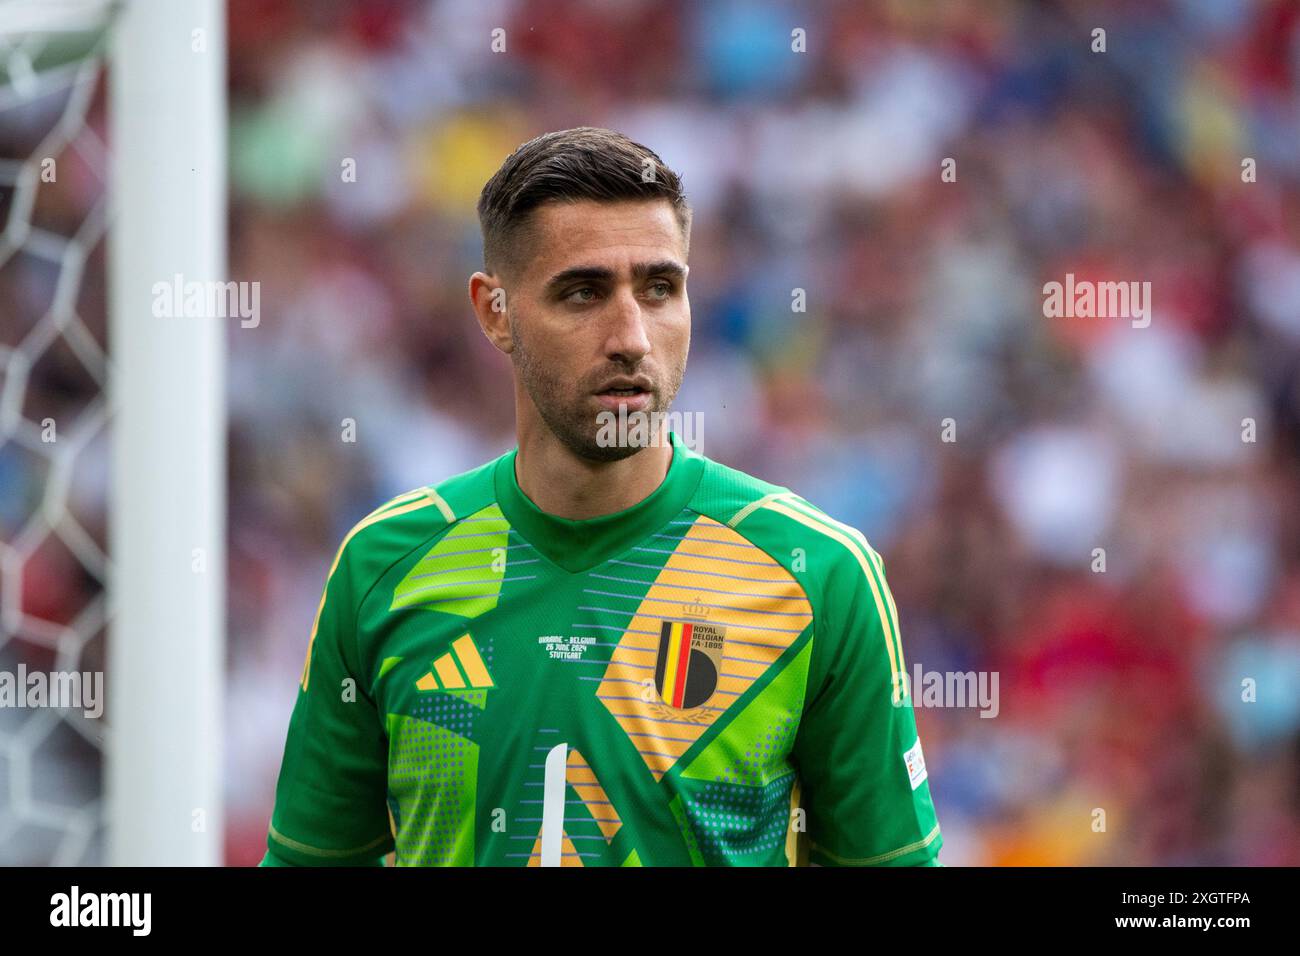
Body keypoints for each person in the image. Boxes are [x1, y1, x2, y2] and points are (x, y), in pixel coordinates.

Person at [260, 127, 942, 866]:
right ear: (495, 313)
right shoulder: (384, 567)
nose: (631, 337)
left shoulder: (819, 575)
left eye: (659, 288)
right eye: (583, 292)